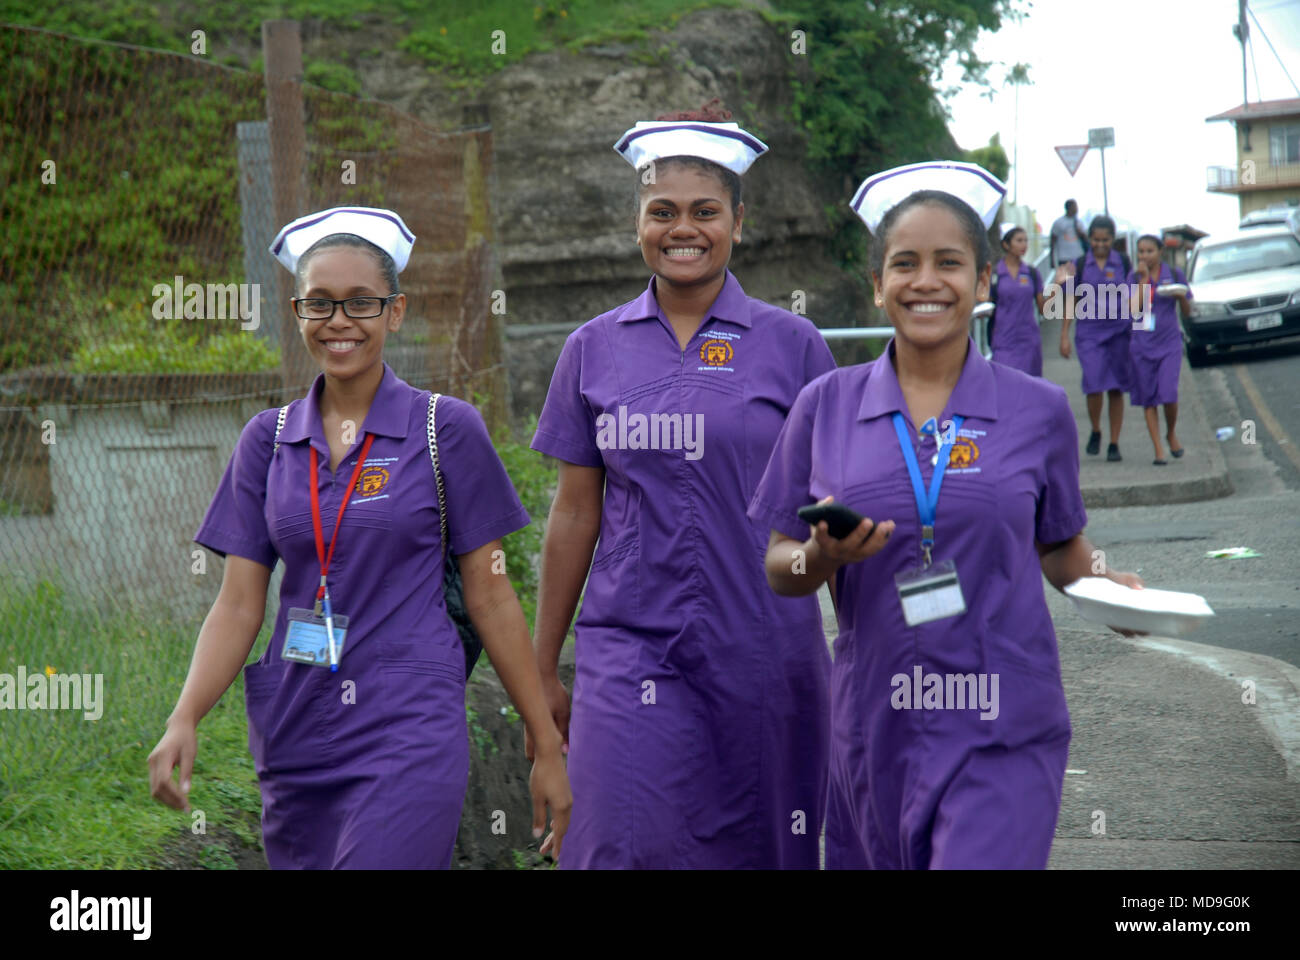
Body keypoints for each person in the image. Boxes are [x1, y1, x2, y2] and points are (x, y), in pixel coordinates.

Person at [147, 206, 572, 868]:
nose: (339, 321)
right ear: (297, 311)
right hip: (297, 726)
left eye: (360, 303)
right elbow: (236, 604)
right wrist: (184, 717)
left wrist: (544, 741)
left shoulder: (445, 429)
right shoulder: (268, 440)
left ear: (394, 313)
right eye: (320, 303)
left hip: (408, 722)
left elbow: (491, 595)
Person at [749, 160, 1145, 869]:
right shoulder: (825, 407)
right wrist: (824, 557)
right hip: (875, 729)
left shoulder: (1038, 412)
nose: (926, 281)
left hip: (1004, 725)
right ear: (877, 285)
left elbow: (1059, 546)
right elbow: (782, 566)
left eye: (949, 263)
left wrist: (1109, 584)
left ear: (983, 282)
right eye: (904, 263)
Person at [527, 104, 836, 868]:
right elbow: (574, 516)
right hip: (632, 647)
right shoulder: (592, 351)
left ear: (740, 218)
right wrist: (540, 671)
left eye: (705, 211)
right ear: (638, 219)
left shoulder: (792, 348)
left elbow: (835, 507)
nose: (682, 229)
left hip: (765, 650)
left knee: (762, 849)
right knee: (615, 843)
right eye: (661, 211)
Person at [1060, 215, 1132, 461]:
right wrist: (1064, 336)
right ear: (1089, 239)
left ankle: (1114, 443)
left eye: (1105, 239)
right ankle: (1096, 430)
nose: (1100, 244)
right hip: (1089, 333)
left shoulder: (1123, 262)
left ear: (1112, 239)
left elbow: (1136, 298)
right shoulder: (1079, 265)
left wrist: (1142, 331)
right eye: (1096, 239)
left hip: (1120, 332)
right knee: (1093, 384)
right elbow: (1071, 299)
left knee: (1115, 388)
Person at [1126, 232, 1192, 465]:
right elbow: (1134, 310)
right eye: (1141, 252)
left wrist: (1180, 296)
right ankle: (1158, 450)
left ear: (1160, 252)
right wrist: (1143, 282)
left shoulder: (1174, 275)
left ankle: (1171, 432)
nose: (1145, 256)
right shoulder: (1133, 277)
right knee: (1149, 398)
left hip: (1169, 342)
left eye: (1150, 251)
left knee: (1169, 394)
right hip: (1142, 344)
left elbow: (1187, 311)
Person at [989, 223, 1046, 376]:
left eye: (1026, 240)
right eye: (1019, 240)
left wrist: (1057, 286)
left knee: (1030, 388)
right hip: (1003, 339)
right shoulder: (994, 274)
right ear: (1006, 244)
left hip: (1029, 340)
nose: (1024, 245)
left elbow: (1043, 309)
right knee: (1004, 385)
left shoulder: (1031, 273)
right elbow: (986, 302)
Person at [1049, 199, 1087, 269]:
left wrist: (1079, 232)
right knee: (1070, 280)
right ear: (1068, 208)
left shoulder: (1079, 222)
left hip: (1079, 256)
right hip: (1065, 258)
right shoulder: (1059, 222)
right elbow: (1052, 241)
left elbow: (1086, 239)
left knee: (1080, 279)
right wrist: (1052, 259)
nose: (1076, 209)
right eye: (1074, 207)